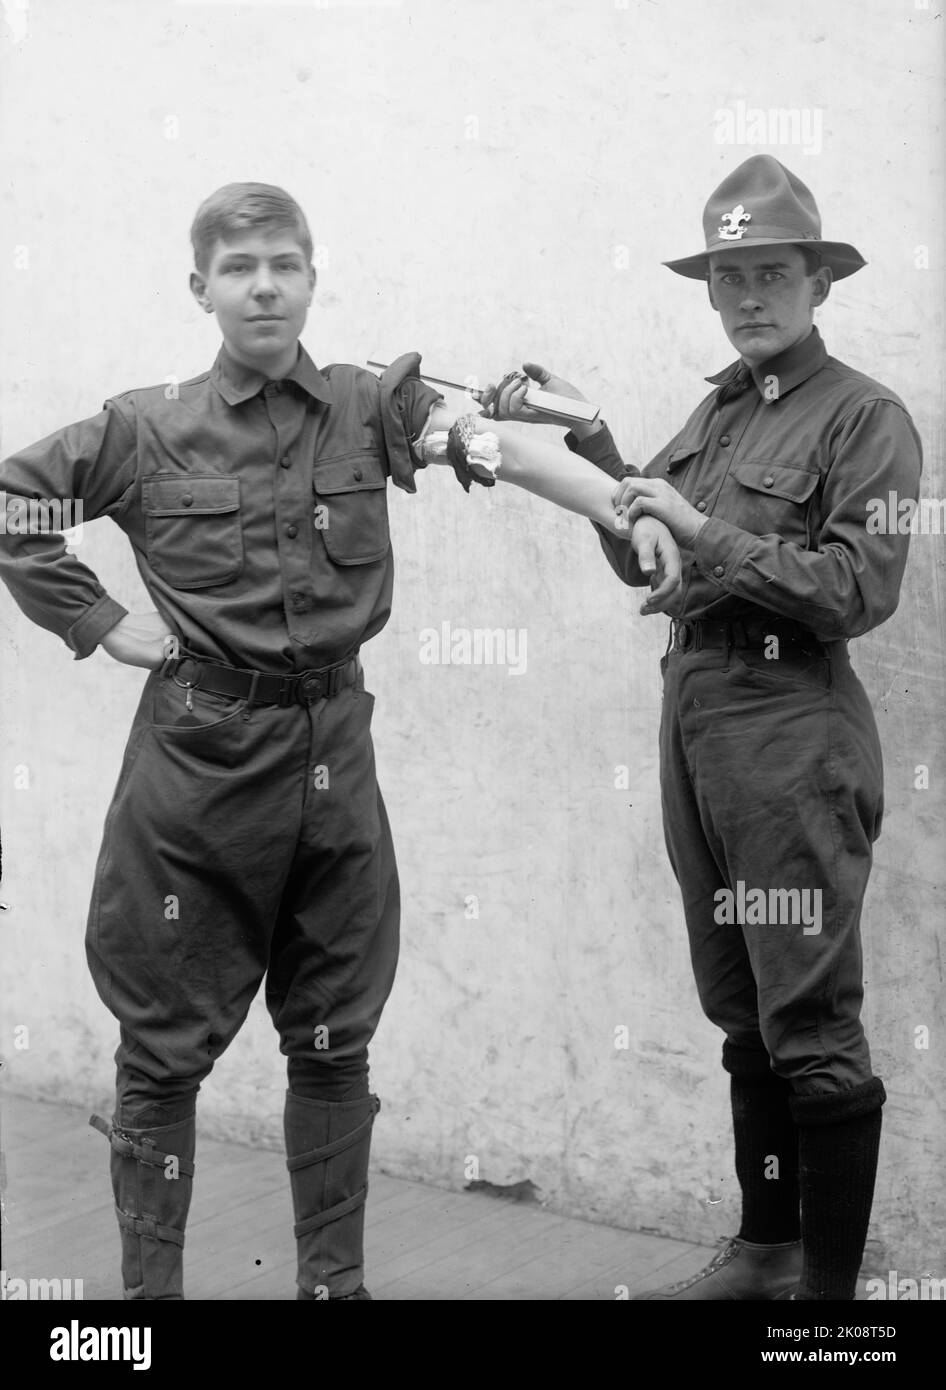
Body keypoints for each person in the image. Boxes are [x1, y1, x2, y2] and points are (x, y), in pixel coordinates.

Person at [0, 182, 680, 1301]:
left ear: (313, 278)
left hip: (334, 761)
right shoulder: (143, 426)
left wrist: (623, 506)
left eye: (283, 263)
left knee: (331, 1037)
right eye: (237, 268)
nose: (262, 285)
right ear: (200, 289)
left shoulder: (371, 405)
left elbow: (499, 446)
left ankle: (333, 1287)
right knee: (164, 1052)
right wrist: (98, 621)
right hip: (196, 775)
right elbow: (17, 503)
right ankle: (146, 1308)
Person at [483, 155, 922, 1301]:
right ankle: (768, 1247)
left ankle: (831, 1305)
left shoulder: (864, 416)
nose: (746, 297)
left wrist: (701, 531)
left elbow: (855, 591)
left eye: (770, 272)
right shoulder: (715, 412)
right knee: (743, 1007)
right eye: (727, 278)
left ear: (817, 281)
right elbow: (653, 548)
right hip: (697, 723)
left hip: (790, 733)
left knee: (812, 1018)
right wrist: (590, 450)